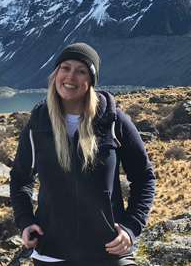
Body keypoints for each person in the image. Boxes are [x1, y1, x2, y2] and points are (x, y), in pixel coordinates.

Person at [10, 43, 156, 265]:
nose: (71, 76)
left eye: (81, 71)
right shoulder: (37, 125)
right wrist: (25, 221)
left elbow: (144, 176)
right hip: (52, 252)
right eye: (65, 68)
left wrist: (131, 227)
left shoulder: (113, 121)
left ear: (91, 80)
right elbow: (21, 180)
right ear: (56, 73)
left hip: (109, 251)